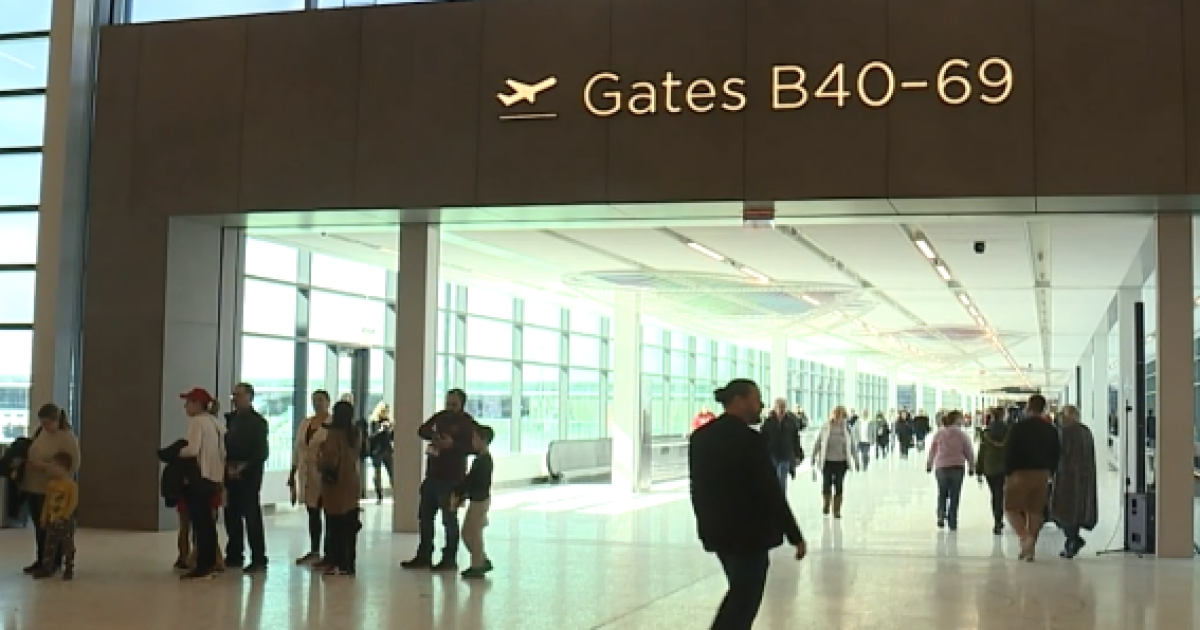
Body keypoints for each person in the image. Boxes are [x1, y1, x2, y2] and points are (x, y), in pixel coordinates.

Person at [689, 379, 806, 630]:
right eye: (756, 399)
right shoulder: (751, 441)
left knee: (740, 594)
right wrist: (794, 534)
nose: (759, 405)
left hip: (719, 534)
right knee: (744, 600)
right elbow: (771, 492)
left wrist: (705, 526)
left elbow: (697, 489)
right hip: (749, 535)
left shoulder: (700, 438)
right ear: (740, 401)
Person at [402, 389, 478, 571]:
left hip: (452, 479)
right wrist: (434, 436)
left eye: (454, 404)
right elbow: (422, 430)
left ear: (462, 405)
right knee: (425, 517)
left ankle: (449, 558)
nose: (450, 407)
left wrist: (453, 445)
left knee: (449, 520)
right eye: (448, 403)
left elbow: (474, 447)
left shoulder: (467, 424)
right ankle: (424, 555)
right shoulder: (440, 417)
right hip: (432, 477)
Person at [19, 403, 81, 576]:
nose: (45, 427)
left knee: (52, 529)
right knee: (40, 526)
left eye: (47, 423)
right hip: (33, 485)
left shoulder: (66, 438)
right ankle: (41, 559)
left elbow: (72, 464)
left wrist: (46, 467)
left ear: (57, 420)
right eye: (42, 423)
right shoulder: (41, 433)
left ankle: (52, 562)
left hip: (52, 489)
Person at [1004, 394, 1061, 562]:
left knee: (1010, 508)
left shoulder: (1018, 428)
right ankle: (1029, 551)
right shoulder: (1051, 429)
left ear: (1028, 407)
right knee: (1034, 511)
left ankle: (1025, 537)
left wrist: (1008, 472)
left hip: (1020, 473)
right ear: (1044, 408)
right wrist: (1051, 471)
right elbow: (1056, 452)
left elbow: (1010, 451)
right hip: (1042, 474)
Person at [177, 387, 227, 580]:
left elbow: (191, 450)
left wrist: (175, 453)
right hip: (214, 478)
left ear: (197, 404)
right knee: (208, 524)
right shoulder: (216, 423)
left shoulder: (197, 422)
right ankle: (211, 562)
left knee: (200, 524)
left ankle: (203, 566)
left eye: (188, 402)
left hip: (199, 478)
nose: (185, 406)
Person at [223, 382, 270, 573]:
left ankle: (259, 557)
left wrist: (243, 466)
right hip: (230, 471)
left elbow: (261, 452)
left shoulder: (258, 422)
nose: (235, 399)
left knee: (251, 515)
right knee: (231, 514)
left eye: (239, 395)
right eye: (234, 395)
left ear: (250, 397)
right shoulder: (231, 420)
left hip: (249, 476)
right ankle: (234, 554)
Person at [318, 400, 362, 577]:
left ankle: (335, 561)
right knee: (349, 525)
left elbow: (330, 460)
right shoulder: (355, 433)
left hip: (335, 484)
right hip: (351, 481)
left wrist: (320, 459)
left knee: (335, 525)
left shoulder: (334, 434)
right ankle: (348, 563)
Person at [1049, 405, 1098, 559]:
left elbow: (1061, 455)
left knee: (1063, 512)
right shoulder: (1086, 431)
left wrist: (1053, 472)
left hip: (1067, 478)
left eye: (1063, 414)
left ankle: (1073, 541)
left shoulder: (1066, 432)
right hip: (1084, 478)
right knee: (1077, 511)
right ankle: (1072, 543)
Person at [290, 390, 330, 566]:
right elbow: (297, 449)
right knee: (312, 513)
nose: (317, 403)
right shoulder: (305, 423)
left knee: (328, 513)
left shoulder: (332, 423)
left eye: (320, 400)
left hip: (324, 475)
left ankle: (330, 552)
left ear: (328, 402)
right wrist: (292, 472)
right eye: (314, 400)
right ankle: (314, 550)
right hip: (306, 474)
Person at [455, 424, 495, 579]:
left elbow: (474, 482)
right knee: (469, 533)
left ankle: (478, 564)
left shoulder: (484, 461)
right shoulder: (480, 459)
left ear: (483, 440)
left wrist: (462, 494)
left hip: (480, 501)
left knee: (473, 534)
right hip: (477, 500)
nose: (472, 441)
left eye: (475, 438)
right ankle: (481, 560)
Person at [31, 452, 78, 580]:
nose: (51, 468)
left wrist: (65, 516)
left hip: (65, 521)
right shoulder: (51, 485)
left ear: (64, 468)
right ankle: (47, 567)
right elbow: (47, 502)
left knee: (67, 545)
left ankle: (69, 567)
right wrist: (43, 517)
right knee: (49, 544)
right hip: (52, 519)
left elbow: (72, 503)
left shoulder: (71, 485)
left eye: (55, 465)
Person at [926, 411, 974, 531]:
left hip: (941, 467)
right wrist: (972, 466)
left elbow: (933, 450)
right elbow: (969, 451)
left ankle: (941, 515)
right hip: (957, 467)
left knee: (942, 492)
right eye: (961, 419)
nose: (962, 421)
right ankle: (952, 520)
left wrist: (929, 464)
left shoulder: (939, 433)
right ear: (956, 420)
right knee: (955, 495)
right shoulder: (962, 435)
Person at [811, 405, 858, 519]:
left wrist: (856, 459)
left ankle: (836, 510)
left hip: (841, 462)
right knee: (826, 484)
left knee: (839, 485)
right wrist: (813, 456)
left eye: (841, 415)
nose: (838, 418)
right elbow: (818, 442)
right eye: (837, 415)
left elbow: (852, 445)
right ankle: (826, 503)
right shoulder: (826, 426)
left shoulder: (847, 428)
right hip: (827, 461)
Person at [975, 407, 1010, 535]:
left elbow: (981, 452)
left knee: (995, 494)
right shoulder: (1009, 430)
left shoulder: (986, 432)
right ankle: (1000, 519)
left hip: (989, 467)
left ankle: (997, 520)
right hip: (1005, 467)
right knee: (1001, 493)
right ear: (1003, 415)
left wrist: (979, 470)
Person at [761, 399, 802, 491]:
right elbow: (763, 438)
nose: (781, 409)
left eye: (783, 407)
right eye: (779, 407)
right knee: (772, 480)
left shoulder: (791, 422)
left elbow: (795, 439)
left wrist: (798, 455)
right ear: (775, 408)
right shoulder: (769, 422)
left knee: (782, 480)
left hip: (785, 455)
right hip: (772, 455)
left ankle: (780, 501)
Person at [369, 402, 395, 505]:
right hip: (377, 451)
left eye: (387, 411)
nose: (385, 413)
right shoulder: (374, 422)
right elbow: (372, 437)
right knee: (377, 474)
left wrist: (391, 430)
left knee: (392, 473)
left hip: (387, 450)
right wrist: (381, 430)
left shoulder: (388, 422)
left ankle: (395, 493)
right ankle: (379, 496)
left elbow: (391, 438)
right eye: (384, 410)